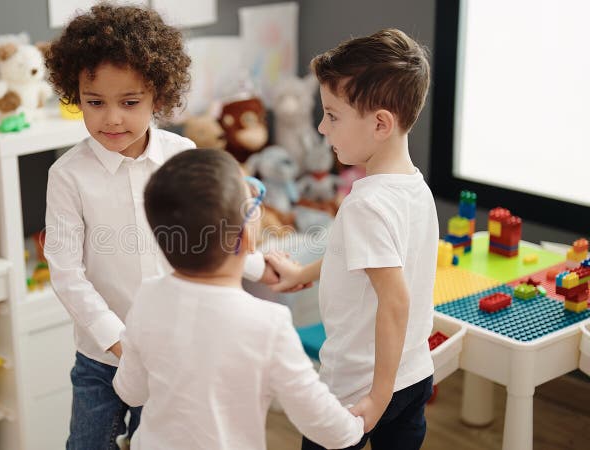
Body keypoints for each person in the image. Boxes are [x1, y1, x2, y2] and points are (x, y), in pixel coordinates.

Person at [42, 3, 290, 447]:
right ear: (74, 94)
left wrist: (257, 267)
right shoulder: (67, 175)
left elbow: (208, 237)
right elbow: (65, 271)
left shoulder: (181, 153)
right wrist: (118, 342)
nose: (112, 118)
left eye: (130, 102)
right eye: (94, 102)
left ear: (158, 95)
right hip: (101, 356)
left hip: (171, 349)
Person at [113, 149, 364, 450]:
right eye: (256, 196)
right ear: (245, 236)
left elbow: (131, 392)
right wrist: (360, 422)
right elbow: (325, 424)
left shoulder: (147, 297)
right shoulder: (268, 326)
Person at [267, 28, 438, 450]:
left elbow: (395, 302)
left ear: (380, 123)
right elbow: (363, 259)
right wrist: (303, 273)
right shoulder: (414, 187)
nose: (322, 128)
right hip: (413, 372)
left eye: (332, 115)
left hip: (359, 385)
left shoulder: (366, 205)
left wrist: (376, 397)